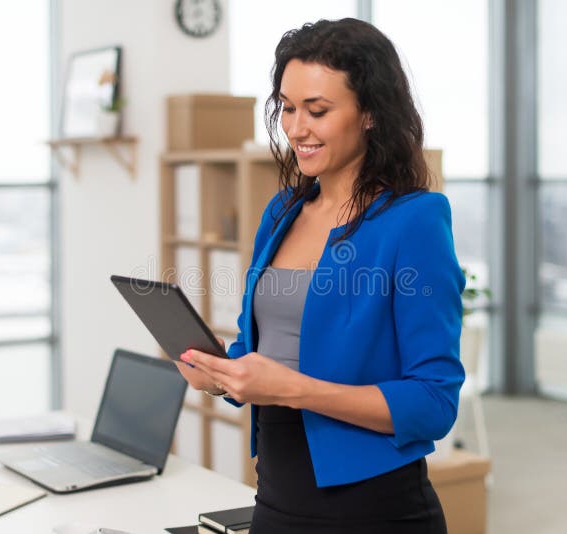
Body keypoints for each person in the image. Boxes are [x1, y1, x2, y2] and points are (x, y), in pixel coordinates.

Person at [175, 18, 465, 534]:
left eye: (318, 110)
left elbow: (433, 403)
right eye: (287, 107)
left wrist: (292, 389)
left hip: (373, 513)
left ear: (371, 114)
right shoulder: (283, 211)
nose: (296, 128)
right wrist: (223, 375)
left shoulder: (413, 222)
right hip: (276, 499)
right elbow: (264, 347)